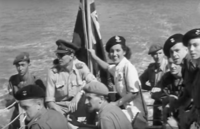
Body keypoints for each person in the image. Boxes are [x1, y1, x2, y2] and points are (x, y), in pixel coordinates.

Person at [89, 35, 147, 129]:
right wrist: (94, 57)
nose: (114, 54)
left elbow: (134, 93)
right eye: (112, 51)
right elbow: (107, 67)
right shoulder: (118, 67)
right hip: (128, 110)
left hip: (136, 112)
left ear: (124, 51)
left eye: (117, 50)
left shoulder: (128, 67)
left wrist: (116, 104)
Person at [45, 39, 97, 126]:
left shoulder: (80, 67)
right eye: (58, 54)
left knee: (92, 104)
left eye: (62, 55)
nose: (59, 58)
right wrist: (62, 114)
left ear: (71, 55)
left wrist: (79, 93)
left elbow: (94, 83)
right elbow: (50, 101)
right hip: (60, 106)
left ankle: (90, 126)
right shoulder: (53, 72)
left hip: (78, 104)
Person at [8, 52, 46, 129]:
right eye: (18, 66)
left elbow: (44, 103)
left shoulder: (36, 81)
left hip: (34, 114)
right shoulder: (13, 80)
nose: (20, 68)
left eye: (23, 65)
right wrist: (12, 100)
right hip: (18, 113)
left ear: (29, 64)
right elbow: (9, 103)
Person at [139, 43, 168, 125]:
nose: (158, 56)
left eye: (160, 53)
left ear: (164, 53)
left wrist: (161, 90)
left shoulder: (169, 67)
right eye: (155, 54)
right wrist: (150, 89)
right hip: (157, 104)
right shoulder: (151, 69)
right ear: (151, 55)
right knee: (156, 125)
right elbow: (139, 81)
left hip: (169, 104)